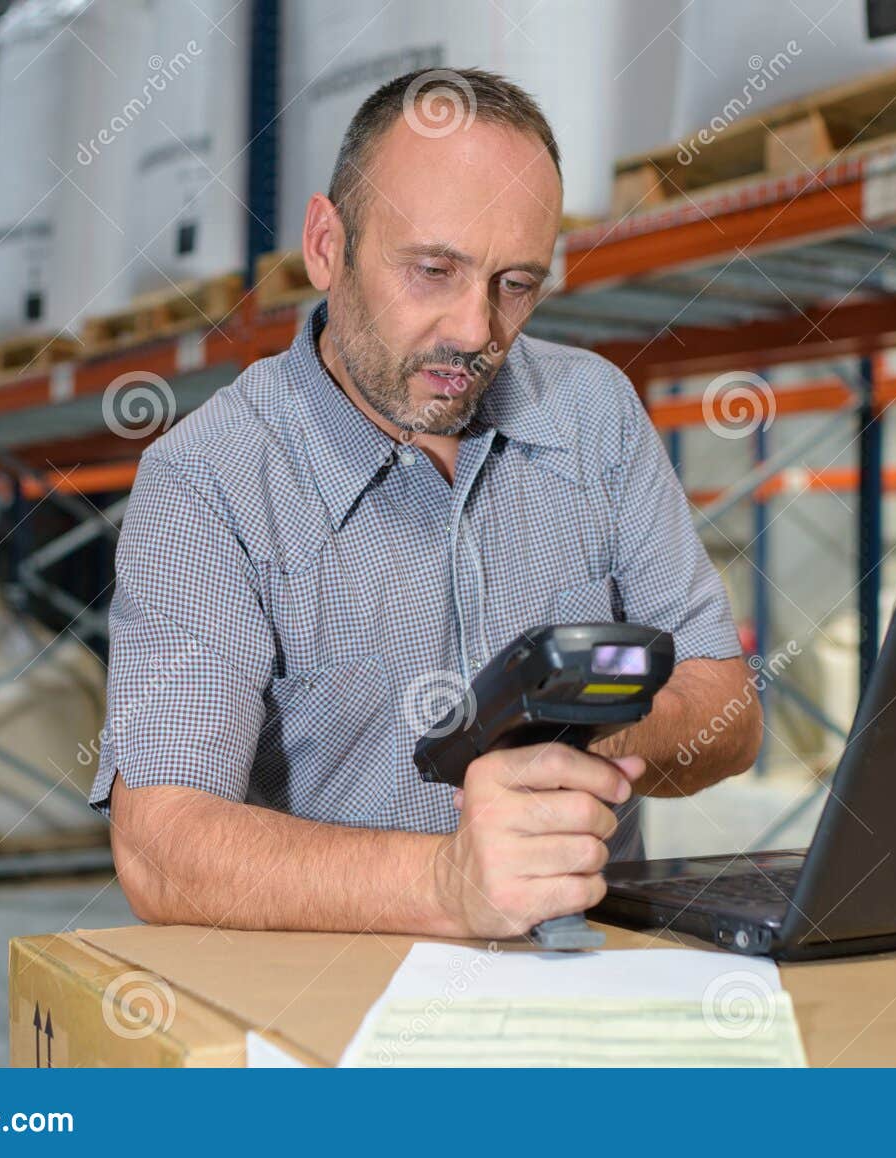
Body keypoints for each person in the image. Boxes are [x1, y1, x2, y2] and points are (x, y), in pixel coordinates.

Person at [94, 68, 761, 938]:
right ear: (327, 245)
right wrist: (449, 882)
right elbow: (162, 850)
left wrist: (588, 740)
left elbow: (729, 709)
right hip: (330, 1018)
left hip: (587, 991)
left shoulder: (593, 413)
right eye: (433, 270)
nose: (476, 331)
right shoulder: (210, 482)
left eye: (515, 283)